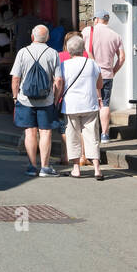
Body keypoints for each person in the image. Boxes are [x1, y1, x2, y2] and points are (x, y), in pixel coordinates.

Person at [10, 24, 60, 177]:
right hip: (46, 100)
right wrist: (55, 98)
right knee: (45, 133)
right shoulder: (53, 53)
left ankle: (32, 166)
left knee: (30, 132)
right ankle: (45, 168)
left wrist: (15, 97)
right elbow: (58, 80)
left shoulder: (23, 52)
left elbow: (16, 79)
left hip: (26, 100)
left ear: (32, 37)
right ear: (48, 38)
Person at [56, 33, 104, 179]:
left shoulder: (64, 65)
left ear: (68, 50)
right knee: (93, 137)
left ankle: (76, 169)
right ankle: (97, 169)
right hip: (90, 104)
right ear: (83, 49)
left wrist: (56, 99)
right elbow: (100, 84)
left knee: (72, 136)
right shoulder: (92, 64)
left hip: (71, 106)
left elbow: (60, 84)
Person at [83, 11, 125, 144]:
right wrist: (113, 71)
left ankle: (91, 134)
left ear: (96, 19)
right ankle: (105, 135)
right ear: (107, 20)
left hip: (90, 74)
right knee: (104, 104)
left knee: (90, 104)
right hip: (107, 75)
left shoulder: (86, 32)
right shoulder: (116, 35)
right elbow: (122, 58)